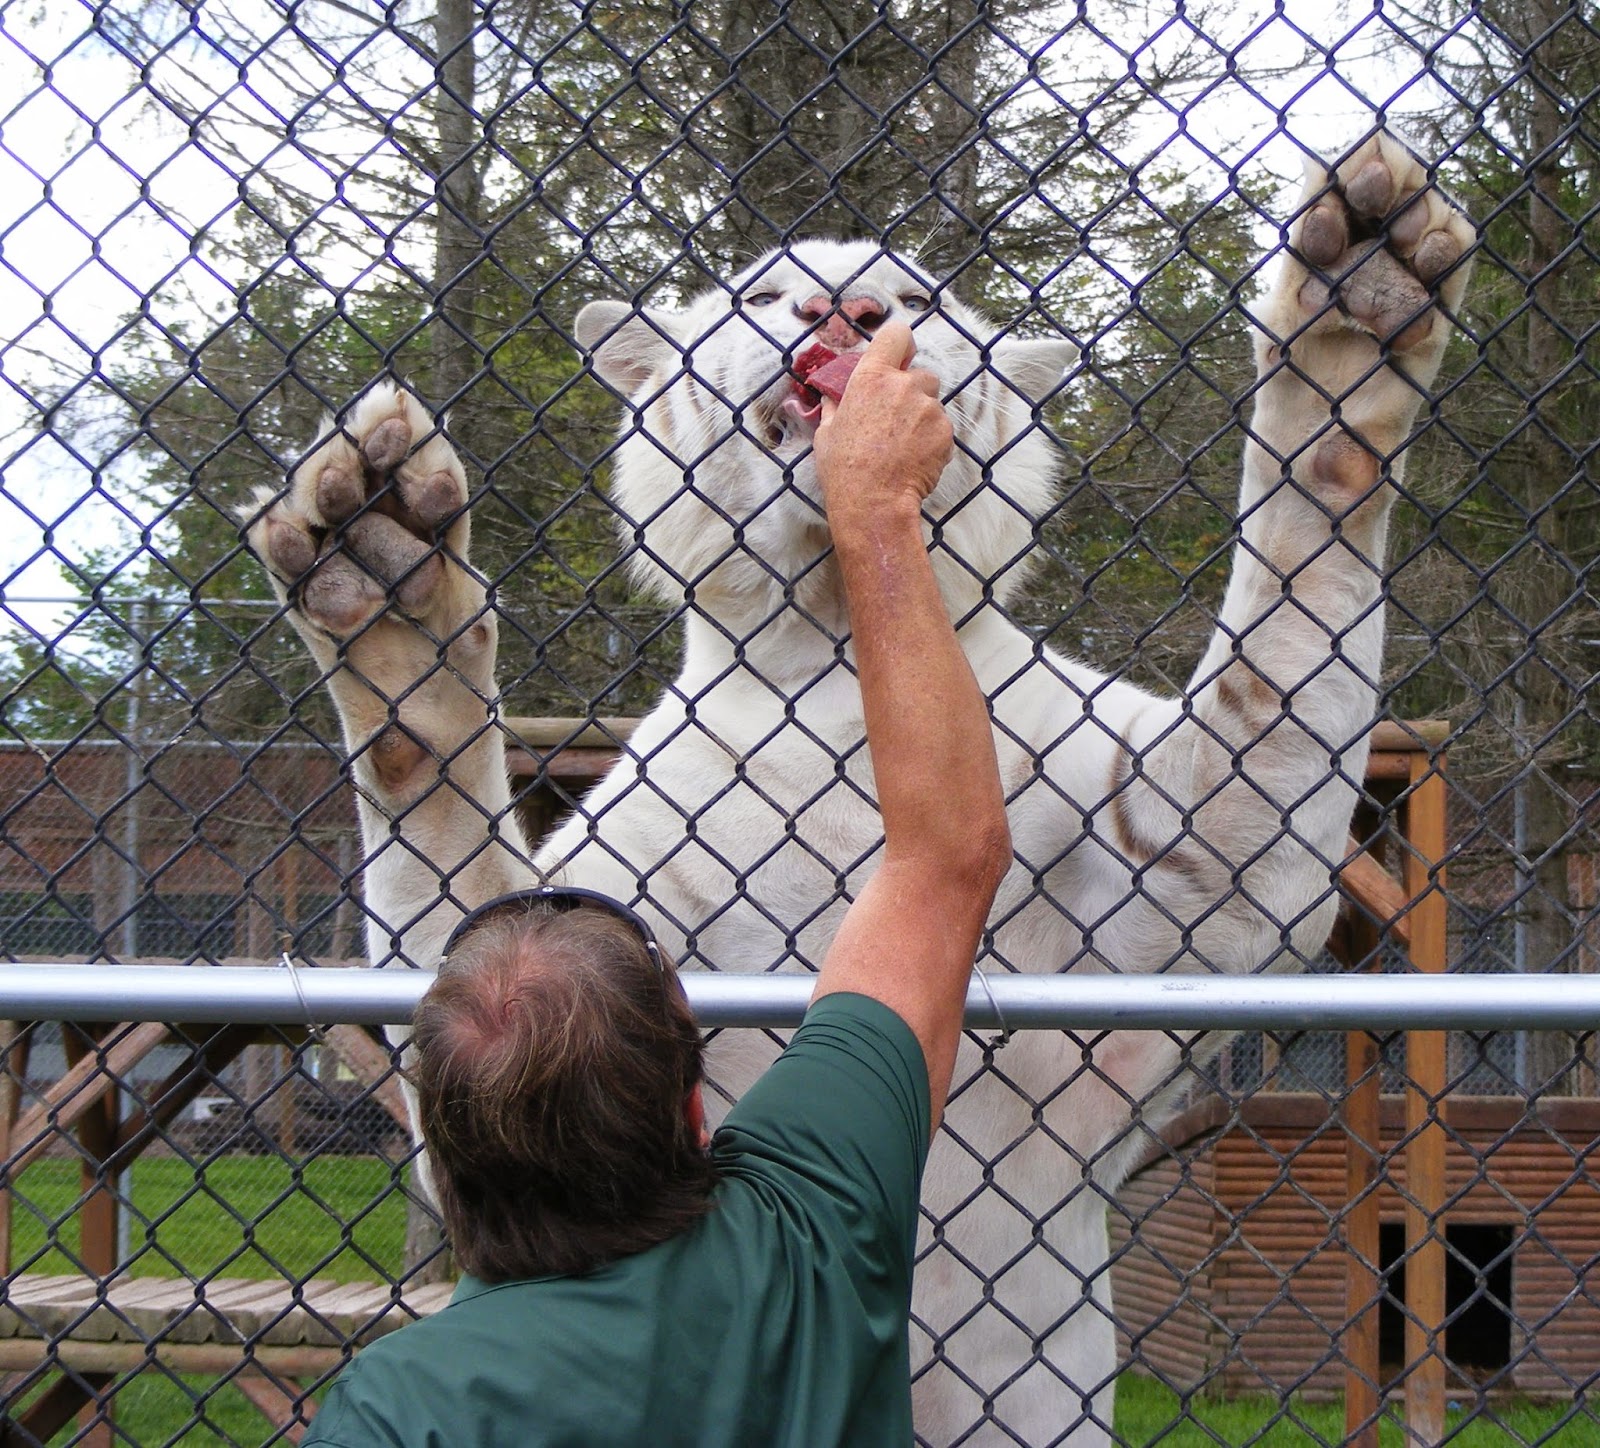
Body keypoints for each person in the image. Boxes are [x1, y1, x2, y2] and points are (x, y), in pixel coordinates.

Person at [303, 321, 1012, 1448]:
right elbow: (944, 852)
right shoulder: (807, 1235)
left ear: (435, 1138)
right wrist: (875, 507)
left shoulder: (400, 1407)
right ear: (698, 1105)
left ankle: (415, 756)